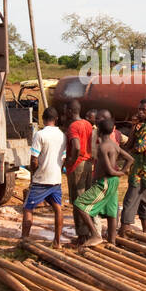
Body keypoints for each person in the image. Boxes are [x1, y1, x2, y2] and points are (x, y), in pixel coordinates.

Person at [75, 116, 133, 246]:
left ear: (99, 132)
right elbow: (130, 159)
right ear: (112, 130)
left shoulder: (102, 147)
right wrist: (123, 171)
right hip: (113, 182)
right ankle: (112, 240)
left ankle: (95, 235)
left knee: (80, 204)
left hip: (105, 182)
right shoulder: (114, 145)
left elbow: (110, 170)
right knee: (111, 211)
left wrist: (120, 173)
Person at [21, 105, 66, 248]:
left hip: (41, 179)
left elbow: (34, 159)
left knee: (28, 208)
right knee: (57, 208)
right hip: (56, 179)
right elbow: (64, 158)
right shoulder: (62, 135)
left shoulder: (40, 135)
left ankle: (24, 239)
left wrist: (32, 174)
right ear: (56, 119)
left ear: (43, 119)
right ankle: (57, 242)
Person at [119, 98, 146, 235]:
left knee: (130, 200)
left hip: (143, 170)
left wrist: (123, 153)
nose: (140, 112)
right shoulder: (141, 125)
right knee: (143, 200)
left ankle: (124, 230)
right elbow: (130, 144)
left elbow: (139, 147)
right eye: (139, 109)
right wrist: (133, 127)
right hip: (141, 168)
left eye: (144, 110)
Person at [63, 100, 94, 246]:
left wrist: (70, 160)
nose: (64, 113)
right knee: (86, 199)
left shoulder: (73, 126)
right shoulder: (87, 124)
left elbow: (76, 146)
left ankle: (82, 235)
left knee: (78, 200)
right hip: (88, 163)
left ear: (70, 111)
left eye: (66, 110)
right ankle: (89, 231)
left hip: (78, 165)